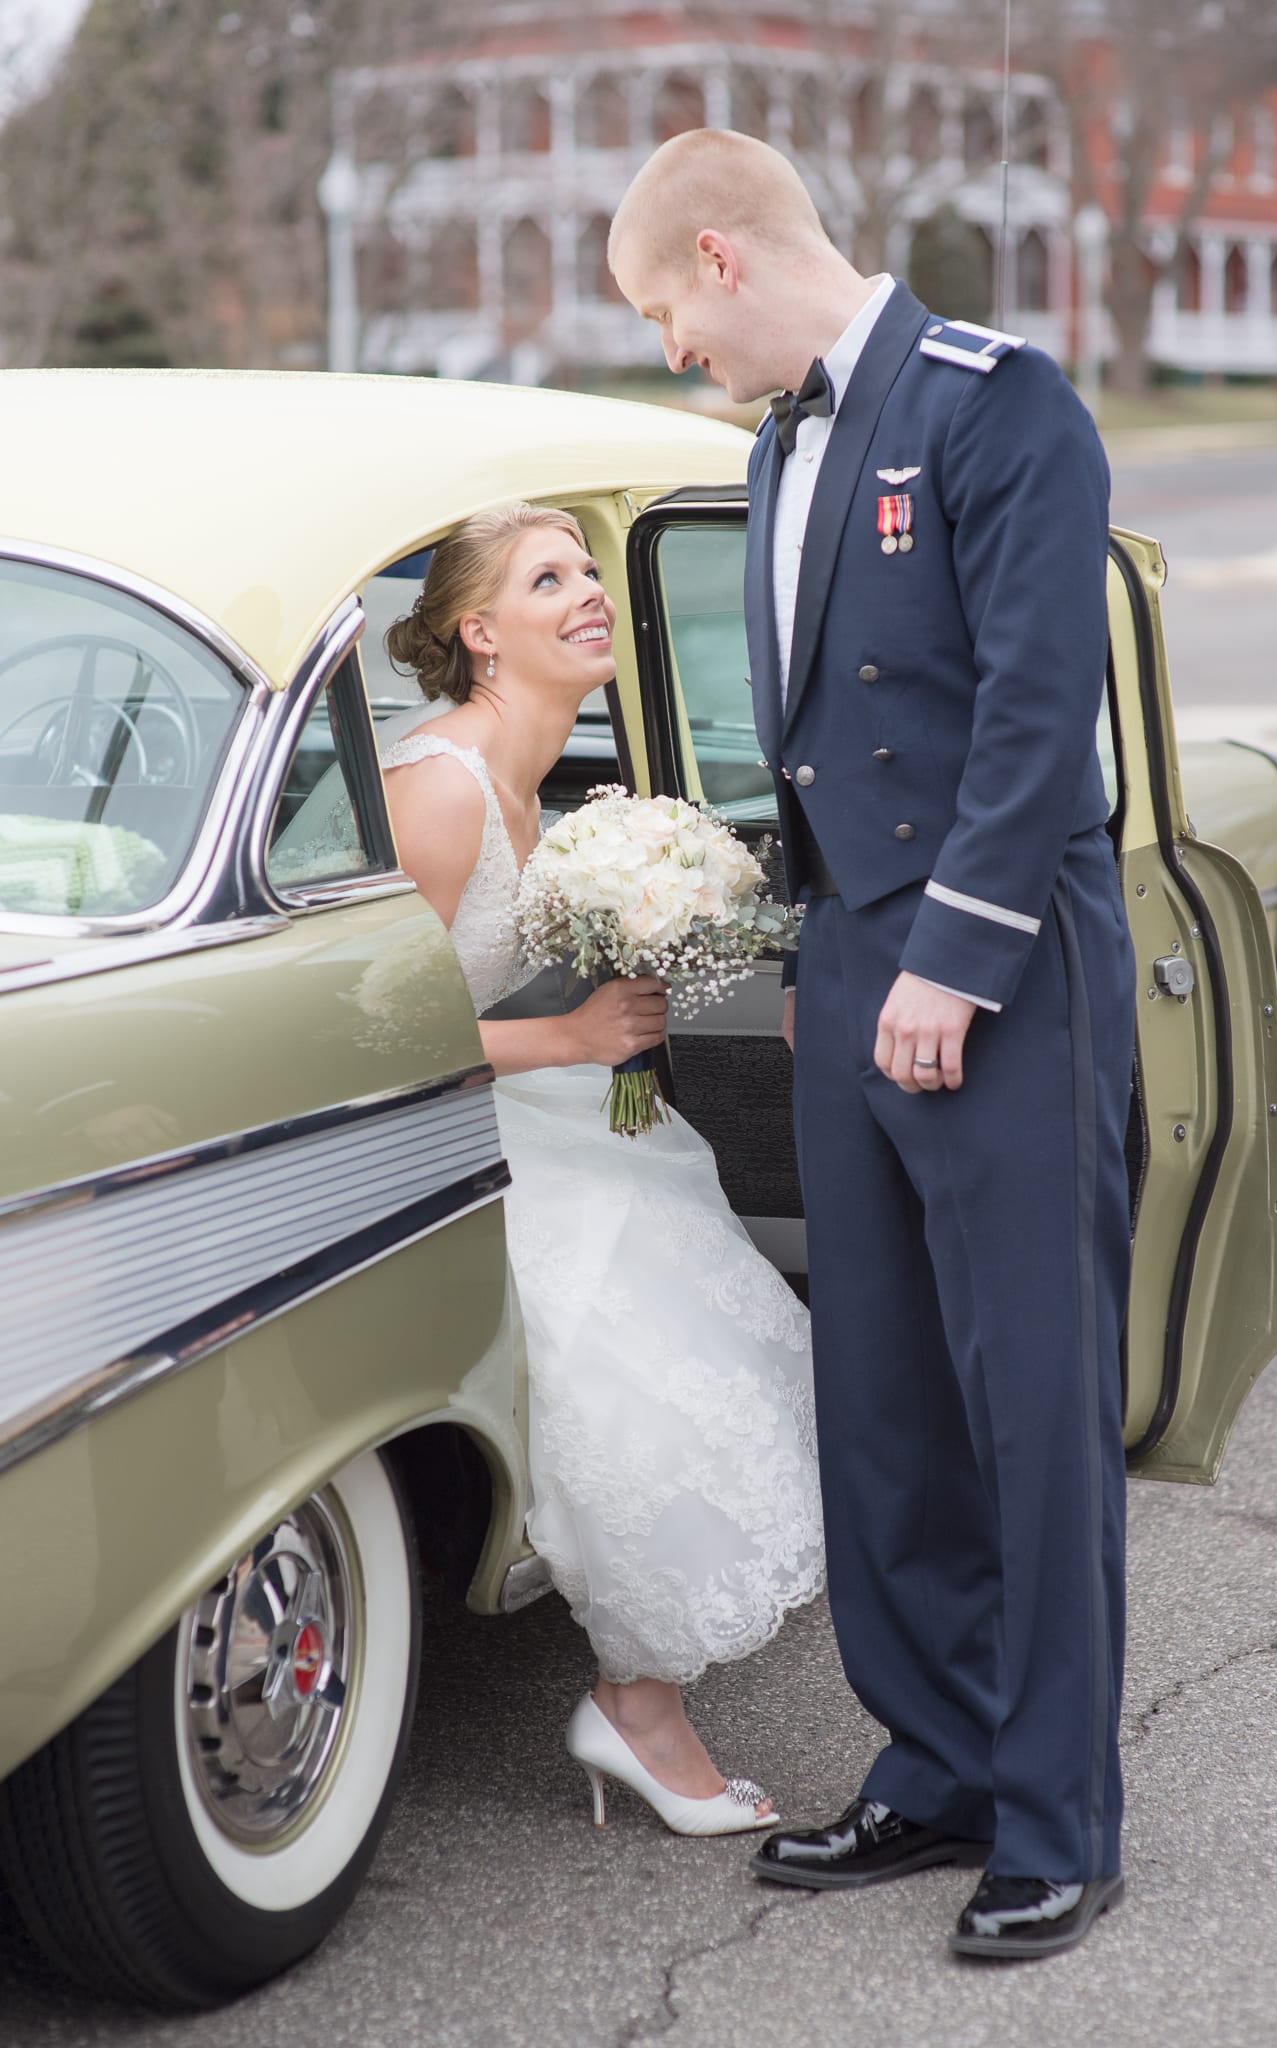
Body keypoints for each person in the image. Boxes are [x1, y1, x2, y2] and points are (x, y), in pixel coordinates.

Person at [610, 129, 1133, 1959]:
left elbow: (1034, 709)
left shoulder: (1002, 405)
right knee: (887, 1403)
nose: (675, 350)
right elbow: (821, 737)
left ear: (727, 259)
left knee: (1032, 1407)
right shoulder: (772, 449)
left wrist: (955, 962)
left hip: (997, 971)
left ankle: (1058, 1814)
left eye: (668, 311)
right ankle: (935, 1765)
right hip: (850, 964)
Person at [379, 500, 823, 1838]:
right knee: (644, 1354)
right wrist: (570, 1032)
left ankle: (636, 1699)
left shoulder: (540, 777)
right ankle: (638, 1710)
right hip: (436, 1134)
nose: (588, 594)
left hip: (539, 1108)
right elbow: (363, 1028)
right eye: (550, 576)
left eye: (589, 571)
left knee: (712, 1319)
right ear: (480, 632)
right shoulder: (442, 785)